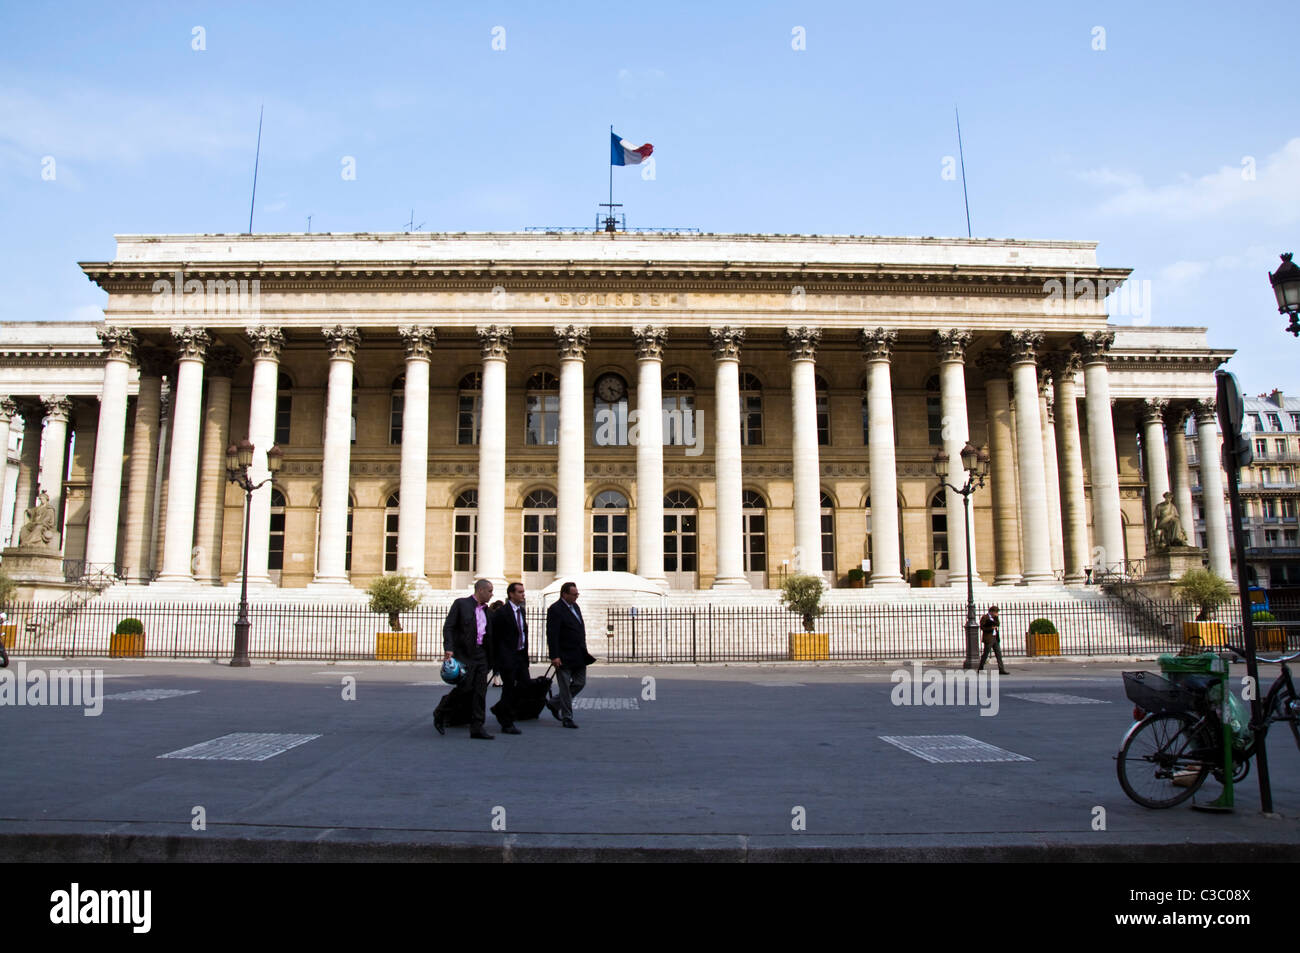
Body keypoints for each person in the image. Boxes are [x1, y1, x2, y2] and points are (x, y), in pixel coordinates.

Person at [434, 578, 495, 739]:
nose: (491, 594)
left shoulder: (487, 612)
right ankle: (441, 712)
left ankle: (477, 727)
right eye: (489, 591)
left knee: (480, 692)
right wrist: (449, 648)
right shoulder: (461, 604)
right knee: (465, 688)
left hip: (481, 654)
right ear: (480, 590)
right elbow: (449, 627)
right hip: (465, 654)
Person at [545, 581, 595, 729]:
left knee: (580, 682)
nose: (576, 597)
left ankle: (554, 703)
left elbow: (580, 628)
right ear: (564, 594)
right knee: (565, 688)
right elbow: (552, 634)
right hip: (564, 655)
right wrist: (554, 656)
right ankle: (567, 717)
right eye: (574, 595)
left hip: (578, 654)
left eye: (577, 594)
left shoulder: (575, 607)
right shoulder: (555, 609)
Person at [490, 582, 530, 735]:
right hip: (507, 657)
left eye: (523, 592)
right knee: (509, 689)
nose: (523, 594)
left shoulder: (522, 611)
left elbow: (523, 633)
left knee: (525, 685)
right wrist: (498, 659)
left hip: (520, 656)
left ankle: (500, 708)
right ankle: (507, 722)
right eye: (520, 592)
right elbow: (496, 636)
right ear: (511, 594)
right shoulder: (502, 613)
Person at [978, 604, 1008, 675]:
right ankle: (980, 668)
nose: (997, 614)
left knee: (998, 654)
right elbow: (982, 627)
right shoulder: (985, 617)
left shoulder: (995, 618)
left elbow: (998, 624)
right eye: (996, 612)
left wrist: (996, 618)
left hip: (995, 638)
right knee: (985, 654)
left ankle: (1001, 669)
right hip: (989, 638)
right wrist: (990, 629)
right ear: (991, 612)